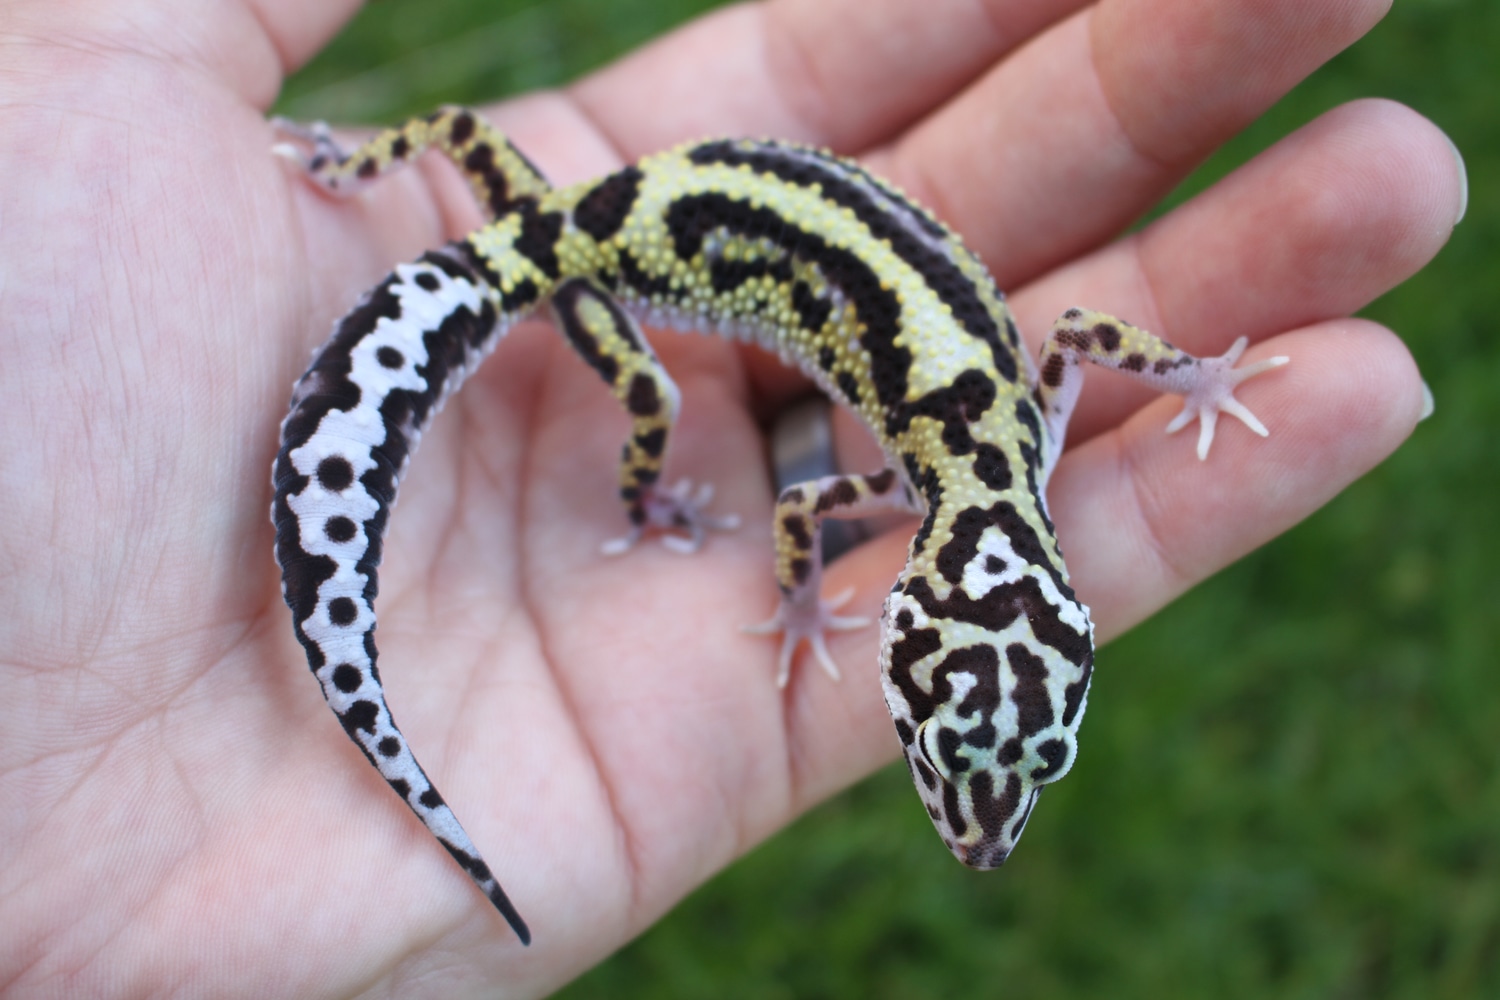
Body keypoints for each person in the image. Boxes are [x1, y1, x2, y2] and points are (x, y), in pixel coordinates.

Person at [0, 0, 1461, 995]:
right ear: (990, 620)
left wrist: (1188, 375)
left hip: (682, 217)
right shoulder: (925, 475)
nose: (973, 816)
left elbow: (1066, 353)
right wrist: (717, 538)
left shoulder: (990, 450)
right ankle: (628, 498)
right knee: (646, 399)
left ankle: (372, 165)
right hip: (604, 260)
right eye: (957, 754)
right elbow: (823, 506)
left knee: (466, 148)